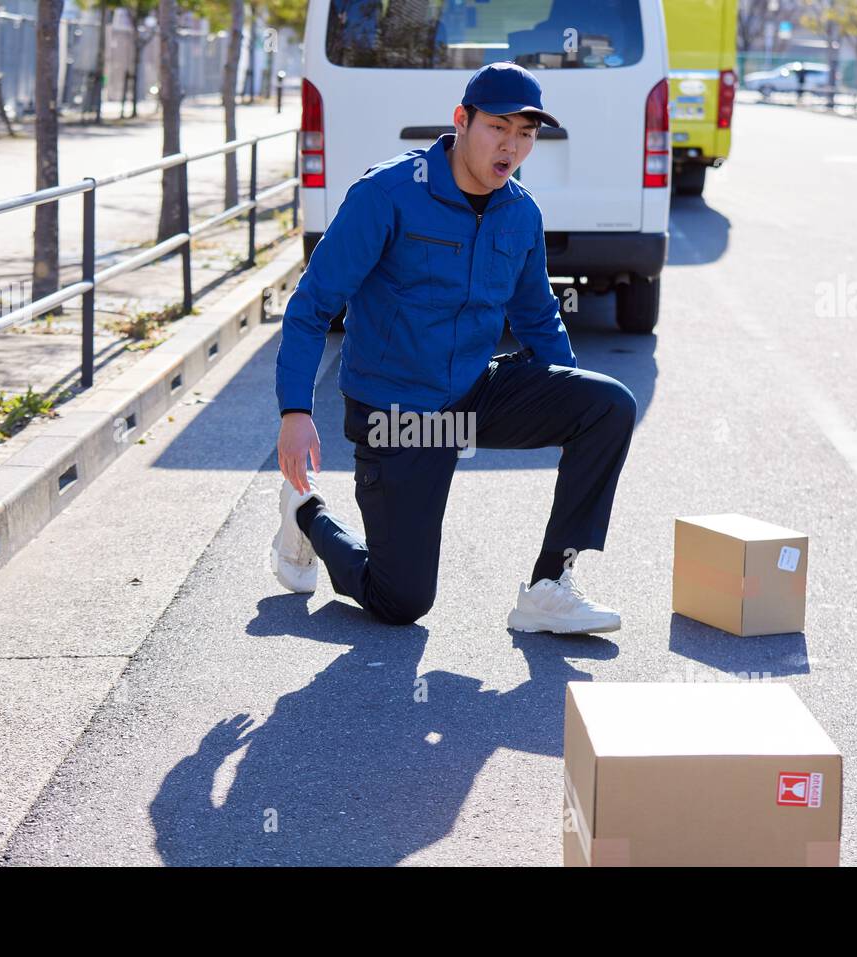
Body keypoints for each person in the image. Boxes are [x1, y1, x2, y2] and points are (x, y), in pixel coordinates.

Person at [271, 62, 637, 634]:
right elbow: (311, 306)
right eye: (498, 127)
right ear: (461, 120)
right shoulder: (387, 194)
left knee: (608, 403)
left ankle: (549, 586)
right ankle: (307, 515)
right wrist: (296, 412)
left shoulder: (520, 212)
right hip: (398, 412)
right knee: (402, 601)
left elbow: (538, 317)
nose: (511, 147)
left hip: (472, 392)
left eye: (526, 134)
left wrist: (566, 399)